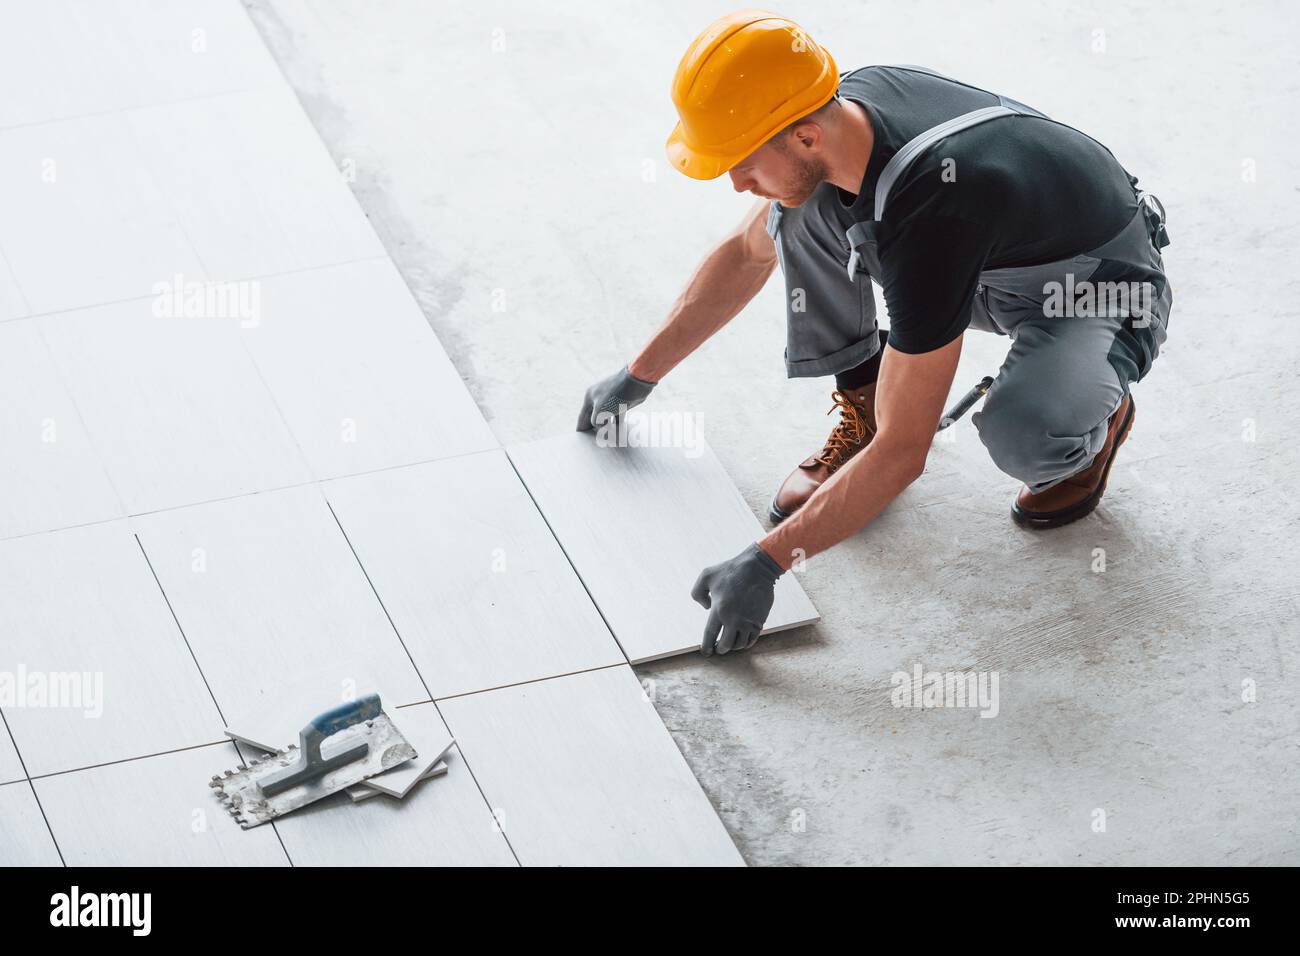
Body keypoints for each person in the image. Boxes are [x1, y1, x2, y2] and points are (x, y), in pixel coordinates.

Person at [577, 10, 1172, 657]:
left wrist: (768, 562)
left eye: (742, 162)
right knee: (795, 216)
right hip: (994, 252)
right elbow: (748, 254)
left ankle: (1093, 422)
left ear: (803, 137)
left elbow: (904, 453)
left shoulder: (931, 216)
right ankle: (863, 405)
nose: (736, 181)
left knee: (1024, 430)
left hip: (1099, 283)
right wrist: (638, 375)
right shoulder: (836, 114)